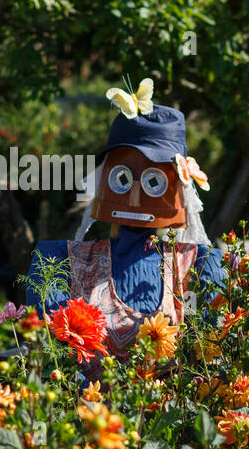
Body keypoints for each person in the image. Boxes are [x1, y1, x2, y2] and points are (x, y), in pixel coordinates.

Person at [26, 82, 224, 357]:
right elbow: (52, 357)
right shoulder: (62, 262)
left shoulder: (197, 268)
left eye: (153, 182)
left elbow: (211, 360)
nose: (133, 198)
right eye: (121, 179)